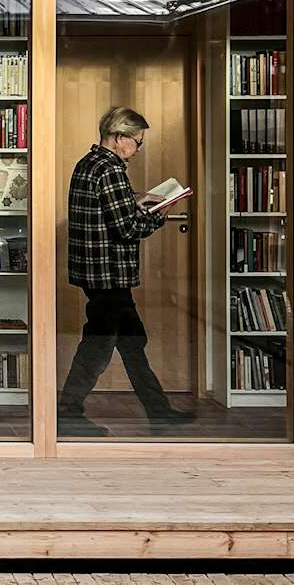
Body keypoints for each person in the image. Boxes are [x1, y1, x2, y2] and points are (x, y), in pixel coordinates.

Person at [57, 106, 196, 436]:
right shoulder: (111, 169)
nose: (137, 148)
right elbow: (127, 228)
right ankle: (67, 413)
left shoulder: (89, 164)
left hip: (95, 272)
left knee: (132, 342)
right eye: (137, 141)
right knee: (98, 345)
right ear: (119, 137)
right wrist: (160, 213)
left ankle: (159, 412)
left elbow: (106, 205)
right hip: (109, 275)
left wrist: (137, 198)